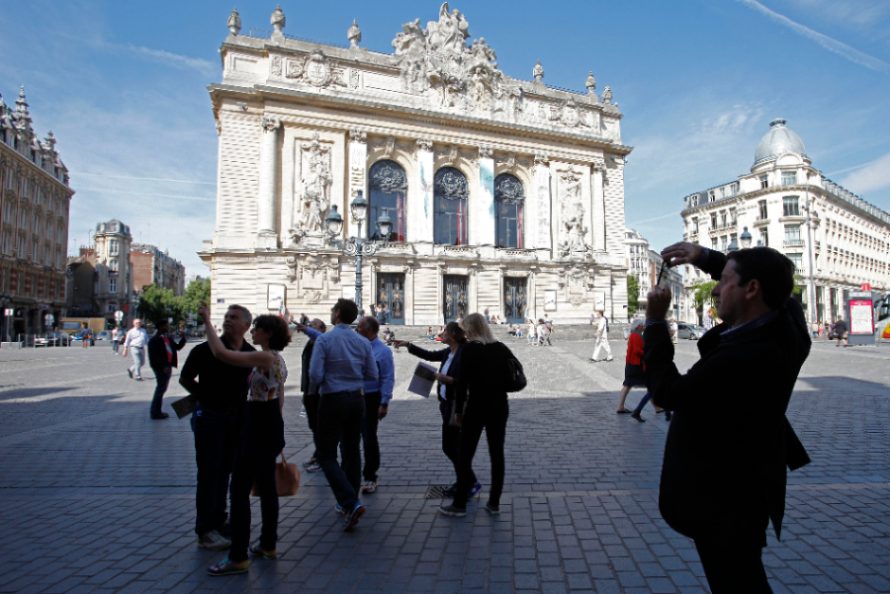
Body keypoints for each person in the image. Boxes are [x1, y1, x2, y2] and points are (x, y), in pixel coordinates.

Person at [643, 242, 811, 593]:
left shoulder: (743, 358)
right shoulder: (788, 329)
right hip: (749, 491)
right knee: (743, 575)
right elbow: (781, 293)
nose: (716, 288)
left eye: (725, 281)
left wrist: (655, 323)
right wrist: (707, 259)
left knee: (736, 581)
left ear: (752, 290)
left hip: (720, 500)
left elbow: (667, 392)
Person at [198, 307, 291, 576]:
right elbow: (280, 395)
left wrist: (207, 321)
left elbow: (222, 354)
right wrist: (277, 427)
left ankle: (238, 556)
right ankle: (268, 544)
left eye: (258, 327)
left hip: (257, 423)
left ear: (268, 333)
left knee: (238, 491)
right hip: (271, 420)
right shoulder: (279, 360)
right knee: (267, 487)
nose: (253, 330)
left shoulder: (263, 356)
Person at [180, 305, 255, 552]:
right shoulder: (204, 350)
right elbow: (185, 378)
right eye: (226, 317)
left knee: (226, 471)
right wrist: (206, 396)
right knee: (209, 473)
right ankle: (204, 529)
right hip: (210, 417)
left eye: (234, 318)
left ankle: (219, 521)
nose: (228, 321)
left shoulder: (249, 352)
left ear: (246, 325)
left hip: (236, 419)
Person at [309, 298, 378, 532]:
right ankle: (348, 502)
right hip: (357, 399)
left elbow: (315, 375)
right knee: (351, 451)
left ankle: (349, 501)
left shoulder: (325, 340)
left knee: (326, 455)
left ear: (337, 313)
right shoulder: (362, 342)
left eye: (332, 310)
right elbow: (372, 373)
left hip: (332, 399)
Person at [394, 322, 479, 500]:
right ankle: (464, 480)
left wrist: (447, 379)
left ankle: (469, 481)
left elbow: (467, 382)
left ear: (454, 335)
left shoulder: (464, 353)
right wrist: (408, 345)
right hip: (446, 403)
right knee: (452, 446)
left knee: (450, 446)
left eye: (445, 331)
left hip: (458, 405)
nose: (442, 333)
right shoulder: (448, 352)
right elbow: (429, 355)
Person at [440, 313, 514, 517]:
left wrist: (457, 412)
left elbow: (462, 383)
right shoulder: (500, 347)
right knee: (496, 455)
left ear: (470, 329)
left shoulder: (470, 349)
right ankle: (494, 503)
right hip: (500, 406)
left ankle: (460, 504)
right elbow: (513, 376)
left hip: (477, 407)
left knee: (464, 456)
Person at [356, 316, 395, 495]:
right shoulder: (355, 346)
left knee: (369, 436)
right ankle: (351, 473)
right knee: (348, 437)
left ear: (369, 330)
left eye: (360, 326)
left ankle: (370, 475)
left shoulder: (382, 351)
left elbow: (387, 377)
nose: (357, 328)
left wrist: (384, 402)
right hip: (352, 395)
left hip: (371, 397)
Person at [296, 318, 326, 473]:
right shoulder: (312, 343)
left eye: (313, 325)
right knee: (314, 427)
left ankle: (321, 458)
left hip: (317, 392)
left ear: (321, 329)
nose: (310, 327)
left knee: (318, 427)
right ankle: (318, 455)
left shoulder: (322, 343)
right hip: (309, 390)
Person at [147, 318, 187, 420]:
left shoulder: (168, 338)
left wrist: (183, 339)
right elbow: (154, 356)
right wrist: (164, 366)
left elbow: (177, 347)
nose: (168, 327)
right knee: (160, 389)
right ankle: (155, 412)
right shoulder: (154, 340)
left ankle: (156, 411)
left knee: (162, 389)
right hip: (161, 368)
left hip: (167, 367)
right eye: (166, 326)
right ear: (161, 327)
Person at [615, 319, 648, 417]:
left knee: (629, 385)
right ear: (638, 326)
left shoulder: (635, 335)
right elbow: (638, 350)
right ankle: (658, 408)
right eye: (643, 325)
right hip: (635, 364)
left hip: (633, 364)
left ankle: (620, 406)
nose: (644, 326)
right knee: (630, 385)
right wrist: (646, 353)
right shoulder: (636, 335)